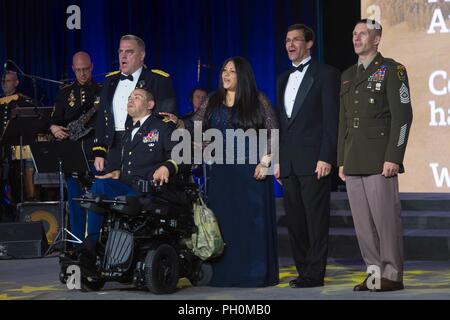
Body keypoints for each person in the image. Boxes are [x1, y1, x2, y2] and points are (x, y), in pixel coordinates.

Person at [163, 56, 279, 287]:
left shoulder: (257, 99)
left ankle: (254, 275)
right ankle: (224, 275)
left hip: (251, 172)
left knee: (250, 226)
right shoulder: (213, 99)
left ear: (243, 75)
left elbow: (272, 131)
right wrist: (177, 122)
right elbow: (194, 124)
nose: (226, 75)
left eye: (232, 71)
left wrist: (265, 163)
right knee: (223, 224)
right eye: (224, 70)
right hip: (222, 172)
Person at [337, 19, 413, 292]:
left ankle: (392, 274)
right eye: (354, 33)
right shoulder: (347, 74)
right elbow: (343, 122)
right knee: (363, 226)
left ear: (377, 39)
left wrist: (395, 156)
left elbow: (403, 117)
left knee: (385, 221)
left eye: (363, 34)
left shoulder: (392, 70)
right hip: (354, 159)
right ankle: (373, 275)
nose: (357, 38)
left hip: (381, 160)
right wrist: (341, 159)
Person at [275, 24, 340, 288]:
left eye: (296, 40)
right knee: (295, 222)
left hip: (314, 161)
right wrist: (278, 160)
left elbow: (331, 120)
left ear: (309, 43)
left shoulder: (326, 74)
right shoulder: (282, 78)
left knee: (316, 221)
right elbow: (280, 124)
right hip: (289, 163)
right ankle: (303, 271)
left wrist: (327, 157)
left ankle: (315, 273)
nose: (290, 45)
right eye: (287, 40)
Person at [86, 88, 179, 244]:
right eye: (129, 97)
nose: (131, 99)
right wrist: (117, 173)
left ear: (150, 104)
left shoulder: (162, 126)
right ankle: (91, 244)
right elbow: (130, 164)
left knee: (120, 199)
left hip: (149, 190)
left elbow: (180, 156)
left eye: (137, 97)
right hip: (127, 186)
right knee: (98, 187)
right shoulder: (128, 131)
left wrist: (167, 167)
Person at [92, 34, 177, 175]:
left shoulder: (158, 80)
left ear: (142, 55)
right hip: (113, 147)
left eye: (129, 52)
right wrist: (99, 151)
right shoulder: (109, 80)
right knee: (110, 193)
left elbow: (165, 119)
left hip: (143, 146)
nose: (123, 56)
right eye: (120, 51)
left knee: (135, 193)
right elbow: (102, 118)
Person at [49, 51, 101, 243]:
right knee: (75, 200)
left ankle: (95, 241)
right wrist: (54, 128)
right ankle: (78, 242)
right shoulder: (64, 94)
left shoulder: (102, 91)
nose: (83, 74)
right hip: (72, 154)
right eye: (78, 70)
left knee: (97, 200)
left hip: (96, 153)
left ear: (92, 66)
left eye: (86, 69)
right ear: (73, 69)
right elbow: (54, 120)